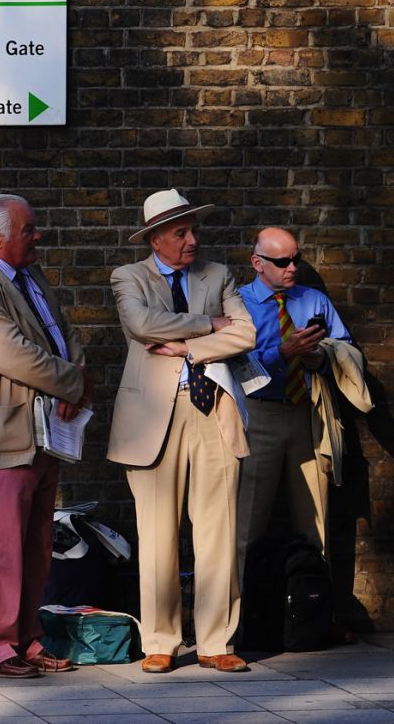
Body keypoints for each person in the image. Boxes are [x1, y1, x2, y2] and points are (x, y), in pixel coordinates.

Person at [108, 189, 256, 674]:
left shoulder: (217, 274)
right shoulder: (129, 276)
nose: (192, 239)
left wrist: (192, 349)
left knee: (219, 532)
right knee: (156, 536)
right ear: (155, 238)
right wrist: (207, 324)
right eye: (181, 232)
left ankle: (217, 641)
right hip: (154, 419)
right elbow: (142, 323)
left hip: (214, 410)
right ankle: (161, 640)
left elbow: (246, 332)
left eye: (194, 230)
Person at [0, 194, 91, 679]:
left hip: (44, 431)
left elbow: (65, 331)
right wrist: (73, 383)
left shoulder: (30, 275)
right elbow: (13, 354)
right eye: (28, 230)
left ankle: (26, 640)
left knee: (35, 547)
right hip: (4, 437)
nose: (38, 237)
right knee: (4, 550)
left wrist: (77, 373)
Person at [235, 228, 353, 584]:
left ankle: (314, 610)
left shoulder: (313, 300)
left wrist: (320, 356)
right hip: (258, 414)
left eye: (296, 259)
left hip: (307, 412)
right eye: (282, 261)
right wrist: (282, 354)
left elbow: (346, 348)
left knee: (315, 517)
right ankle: (238, 617)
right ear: (258, 263)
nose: (292, 268)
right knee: (247, 519)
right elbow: (232, 362)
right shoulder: (238, 303)